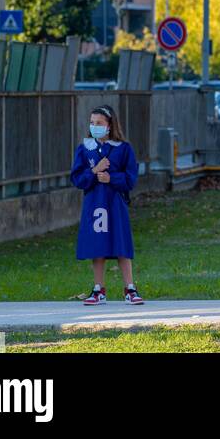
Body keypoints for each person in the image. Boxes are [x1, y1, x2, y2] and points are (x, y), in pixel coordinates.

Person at [70, 105, 144, 305]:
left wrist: (111, 178)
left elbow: (130, 179)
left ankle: (130, 288)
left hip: (115, 204)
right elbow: (77, 179)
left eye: (99, 123)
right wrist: (94, 171)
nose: (95, 126)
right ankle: (98, 289)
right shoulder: (85, 149)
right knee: (98, 246)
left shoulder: (123, 148)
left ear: (110, 125)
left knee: (120, 244)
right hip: (95, 204)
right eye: (92, 123)